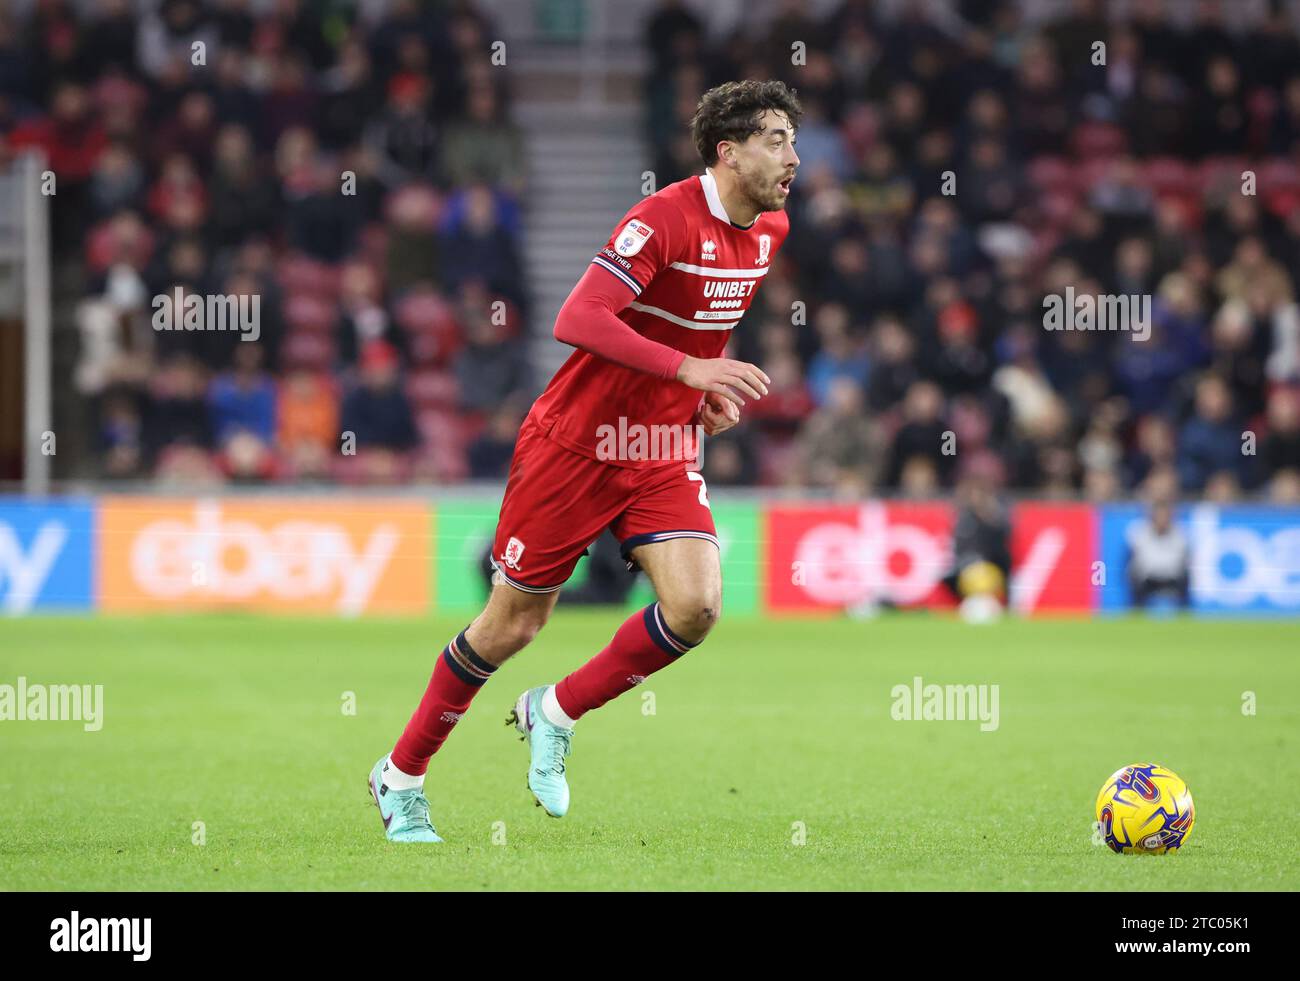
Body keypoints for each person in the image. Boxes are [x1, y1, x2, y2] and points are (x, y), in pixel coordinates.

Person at [368, 80, 801, 841]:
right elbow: (579, 316)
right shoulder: (662, 217)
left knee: (696, 607)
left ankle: (554, 710)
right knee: (511, 626)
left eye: (793, 140)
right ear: (727, 152)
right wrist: (687, 371)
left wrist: (702, 392)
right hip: (575, 444)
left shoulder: (770, 231)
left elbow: (699, 327)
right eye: (776, 140)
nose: (793, 157)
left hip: (662, 447)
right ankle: (400, 774)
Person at [1126, 498, 1191, 609]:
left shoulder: (1180, 534)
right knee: (1133, 576)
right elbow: (1136, 560)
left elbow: (1182, 562)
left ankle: (1183, 615)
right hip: (1148, 579)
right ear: (1153, 516)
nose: (1162, 519)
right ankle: (1137, 614)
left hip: (1172, 578)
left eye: (1165, 516)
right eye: (1159, 515)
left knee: (1185, 578)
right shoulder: (1139, 533)